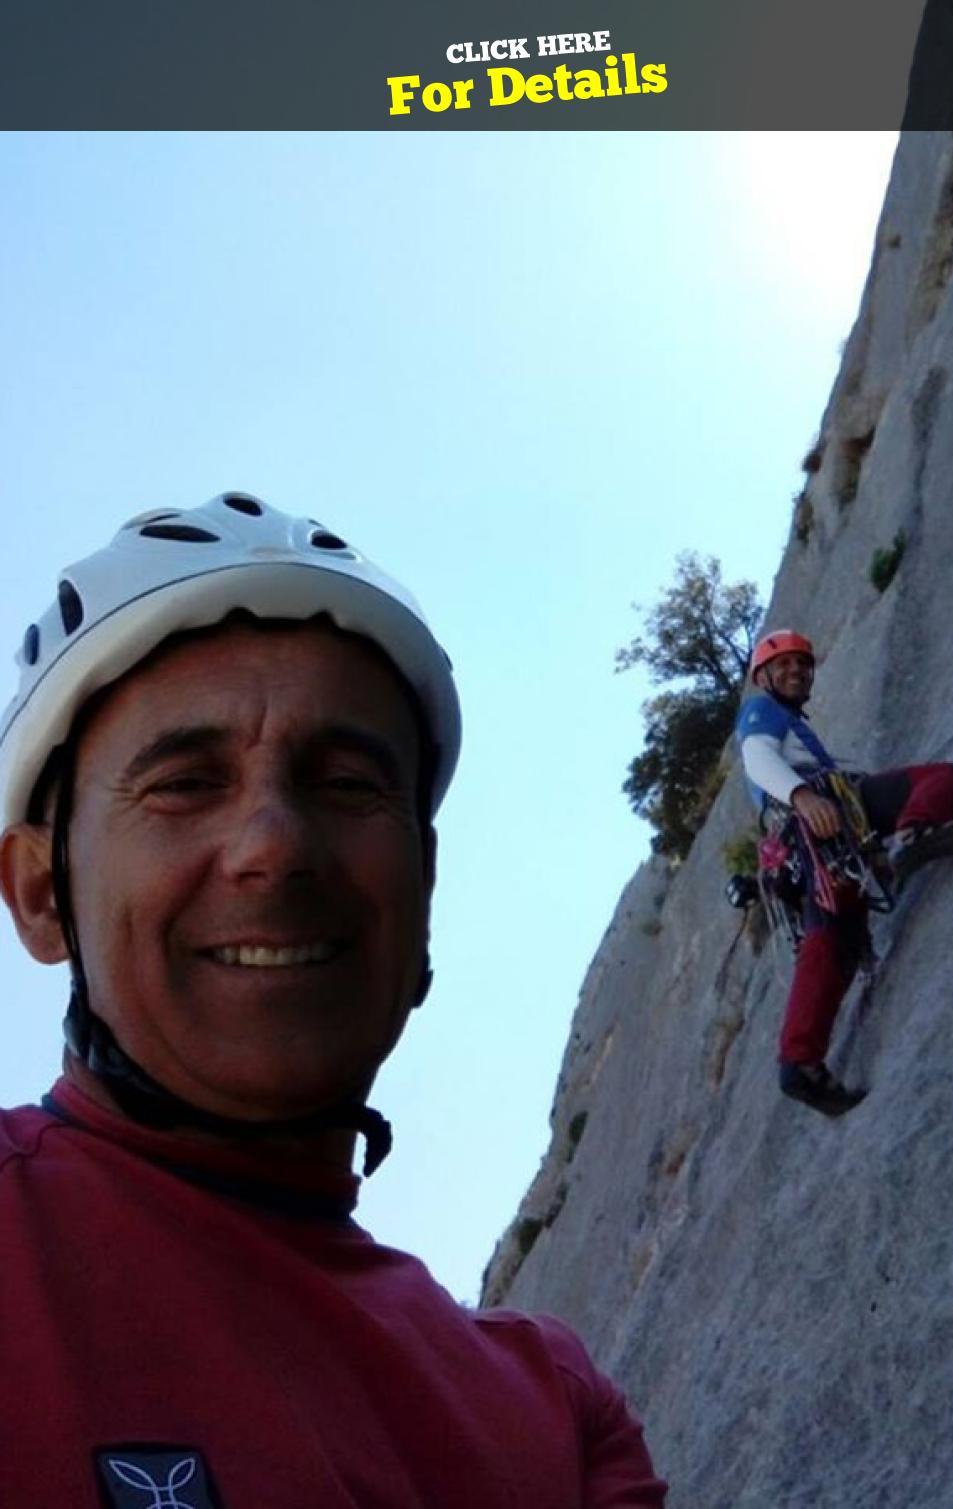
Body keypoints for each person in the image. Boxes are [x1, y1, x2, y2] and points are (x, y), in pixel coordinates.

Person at [0, 493, 667, 1508]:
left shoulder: (552, 1409)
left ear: (422, 883)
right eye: (184, 783)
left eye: (348, 782)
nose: (276, 845)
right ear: (44, 895)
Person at [735, 629, 953, 1118]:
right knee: (947, 778)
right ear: (762, 677)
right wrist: (803, 797)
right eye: (783, 666)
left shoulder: (788, 722)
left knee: (833, 943)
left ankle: (799, 1063)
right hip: (828, 813)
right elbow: (757, 757)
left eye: (803, 664)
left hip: (823, 836)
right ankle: (910, 836)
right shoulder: (762, 713)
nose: (796, 671)